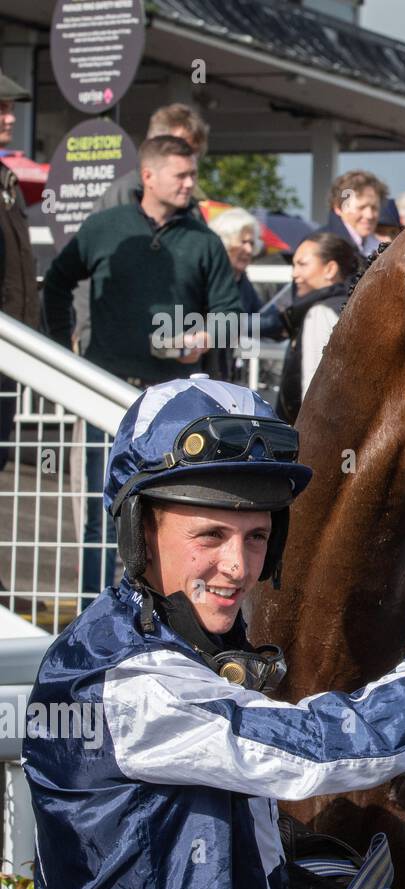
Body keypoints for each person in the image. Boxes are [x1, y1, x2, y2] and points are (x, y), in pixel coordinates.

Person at [21, 378, 405, 889]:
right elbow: (328, 746)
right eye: (209, 536)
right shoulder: (129, 683)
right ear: (139, 530)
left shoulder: (176, 640)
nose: (237, 567)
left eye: (257, 537)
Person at [44, 134, 243, 603]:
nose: (191, 184)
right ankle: (93, 605)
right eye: (182, 175)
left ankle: (153, 608)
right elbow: (56, 282)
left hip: (169, 402)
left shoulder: (204, 240)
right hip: (100, 389)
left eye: (193, 174)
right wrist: (59, 351)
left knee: (162, 510)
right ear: (148, 175)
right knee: (98, 506)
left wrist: (203, 338)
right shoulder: (104, 227)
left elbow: (232, 314)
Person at [70, 104, 210, 357]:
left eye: (193, 152)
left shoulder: (191, 208)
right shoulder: (124, 196)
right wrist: (86, 331)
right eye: (180, 146)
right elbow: (91, 270)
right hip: (119, 349)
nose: (188, 159)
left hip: (169, 350)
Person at [275, 232, 359, 424]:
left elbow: (313, 389)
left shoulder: (319, 312)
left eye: (302, 264)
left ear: (330, 269)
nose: (294, 273)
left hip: (318, 432)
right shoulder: (354, 303)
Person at [0, 69, 37, 474]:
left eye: (10, 110)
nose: (10, 119)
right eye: (1, 109)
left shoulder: (7, 181)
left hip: (10, 351)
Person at [207, 206, 264, 381]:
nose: (248, 250)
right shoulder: (208, 279)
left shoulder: (243, 282)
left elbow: (260, 318)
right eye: (243, 242)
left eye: (252, 243)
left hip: (225, 372)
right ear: (224, 242)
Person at [324, 169, 387, 258]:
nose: (369, 215)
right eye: (361, 208)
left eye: (374, 208)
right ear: (338, 208)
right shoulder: (322, 247)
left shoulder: (379, 246)